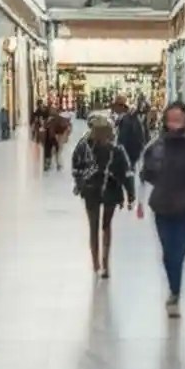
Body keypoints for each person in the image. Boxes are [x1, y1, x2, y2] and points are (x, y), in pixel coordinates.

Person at [139, 101, 185, 318]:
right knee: (167, 253)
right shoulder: (156, 146)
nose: (174, 122)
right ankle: (174, 289)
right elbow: (147, 173)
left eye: (178, 118)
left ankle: (175, 292)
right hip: (162, 206)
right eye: (170, 118)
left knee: (178, 252)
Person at [72, 115, 136, 278]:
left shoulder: (84, 148)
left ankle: (98, 264)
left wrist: (80, 182)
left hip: (96, 191)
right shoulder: (115, 150)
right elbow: (126, 173)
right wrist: (130, 194)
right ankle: (102, 264)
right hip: (106, 190)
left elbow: (76, 167)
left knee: (96, 227)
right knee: (104, 227)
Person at [114, 97, 147, 169]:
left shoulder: (130, 119)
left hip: (130, 150)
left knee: (127, 169)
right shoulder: (126, 117)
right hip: (129, 149)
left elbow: (123, 138)